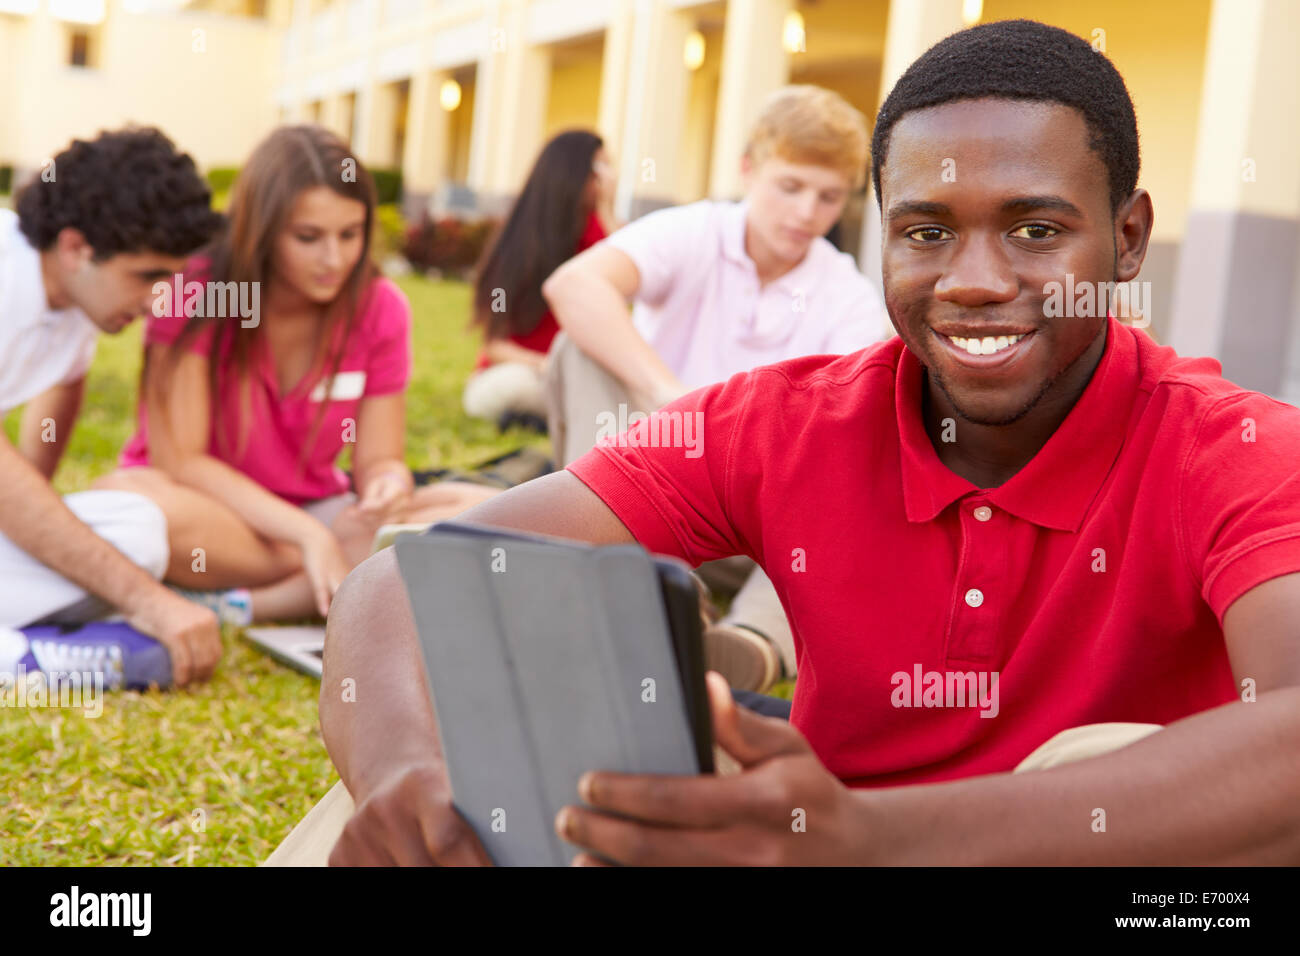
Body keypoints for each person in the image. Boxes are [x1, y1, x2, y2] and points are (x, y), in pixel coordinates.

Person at [297, 19, 1300, 866]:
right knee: (422, 800)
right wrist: (402, 772)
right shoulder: (783, 421)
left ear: (1127, 239)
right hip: (802, 836)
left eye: (1036, 229)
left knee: (1089, 761)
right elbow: (408, 583)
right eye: (926, 230)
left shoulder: (1234, 446)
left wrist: (872, 835)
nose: (974, 278)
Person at [541, 84, 891, 692]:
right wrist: (669, 396)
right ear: (749, 169)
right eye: (791, 186)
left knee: (866, 470)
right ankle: (625, 572)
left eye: (828, 196)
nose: (808, 212)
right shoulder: (694, 231)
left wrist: (731, 448)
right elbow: (574, 285)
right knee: (577, 347)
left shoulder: (848, 294)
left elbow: (835, 441)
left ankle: (744, 644)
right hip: (644, 487)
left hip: (762, 523)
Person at [96, 126, 498, 625]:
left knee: (486, 509)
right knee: (132, 509)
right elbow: (183, 462)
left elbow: (379, 459)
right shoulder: (195, 289)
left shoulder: (380, 307)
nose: (334, 259)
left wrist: (387, 485)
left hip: (315, 510)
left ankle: (244, 604)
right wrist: (311, 537)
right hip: (206, 513)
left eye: (349, 235)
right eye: (308, 237)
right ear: (262, 230)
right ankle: (338, 570)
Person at [0, 128, 224, 686]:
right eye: (148, 276)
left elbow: (64, 384)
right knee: (125, 576)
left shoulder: (75, 301)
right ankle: (23, 660)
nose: (159, 301)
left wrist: (33, 522)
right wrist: (153, 603)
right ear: (76, 248)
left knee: (141, 531)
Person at [461, 130, 616, 431]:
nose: (608, 179)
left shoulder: (600, 235)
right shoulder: (518, 246)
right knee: (514, 388)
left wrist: (606, 211)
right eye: (600, 169)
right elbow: (494, 345)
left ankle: (549, 417)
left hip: (577, 380)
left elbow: (624, 291)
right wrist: (547, 367)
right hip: (523, 375)